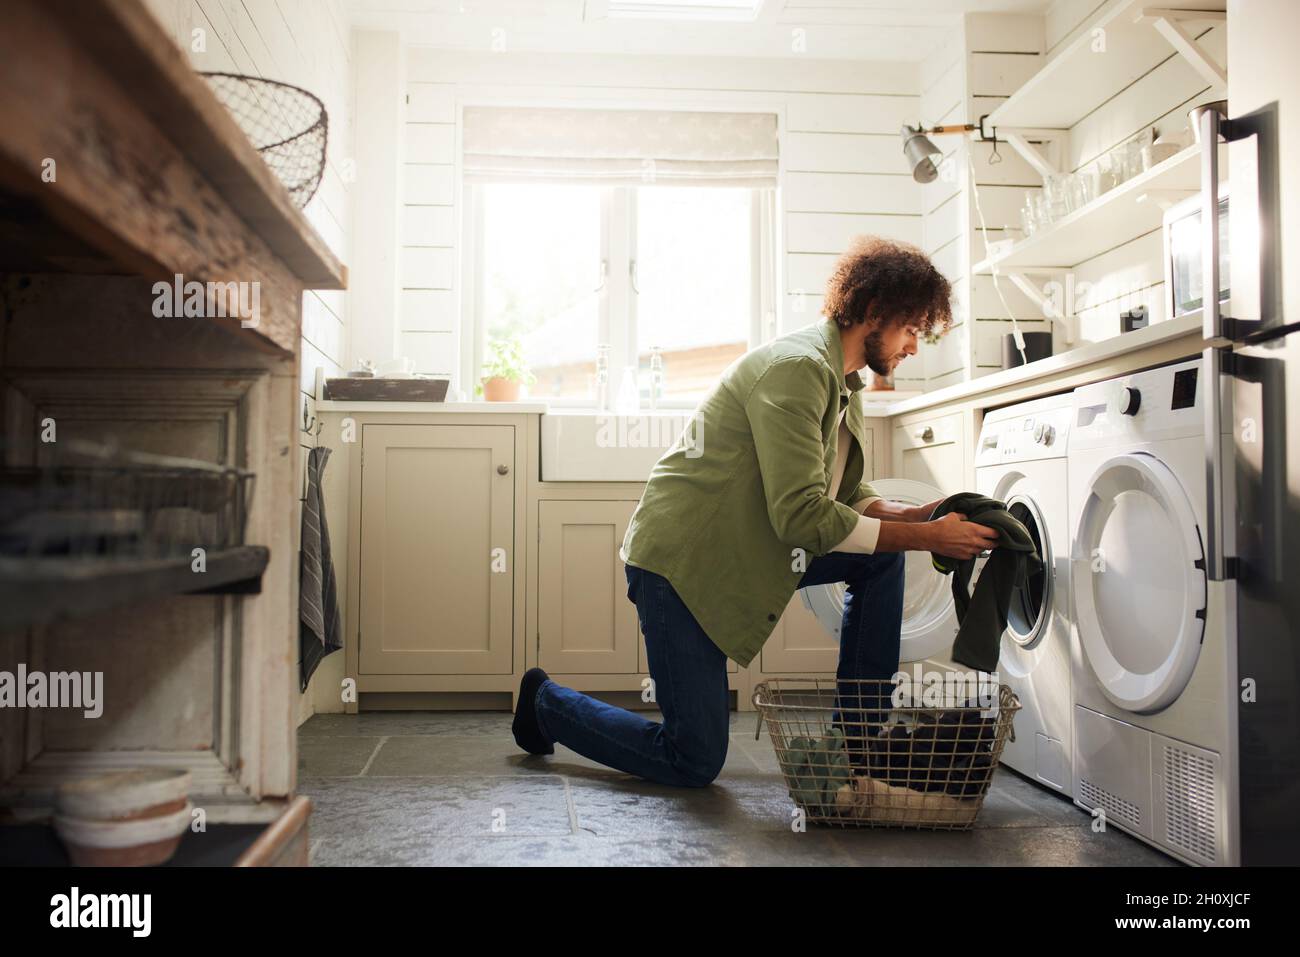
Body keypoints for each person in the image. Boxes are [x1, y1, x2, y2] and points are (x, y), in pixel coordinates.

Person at [512, 235, 998, 786]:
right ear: (874, 312)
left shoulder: (844, 382)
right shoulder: (796, 371)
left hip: (748, 549)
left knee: (879, 559)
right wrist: (930, 540)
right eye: (912, 329)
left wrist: (921, 517)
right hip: (684, 565)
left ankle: (858, 746)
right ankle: (545, 703)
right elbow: (800, 518)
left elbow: (846, 498)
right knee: (692, 759)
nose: (914, 346)